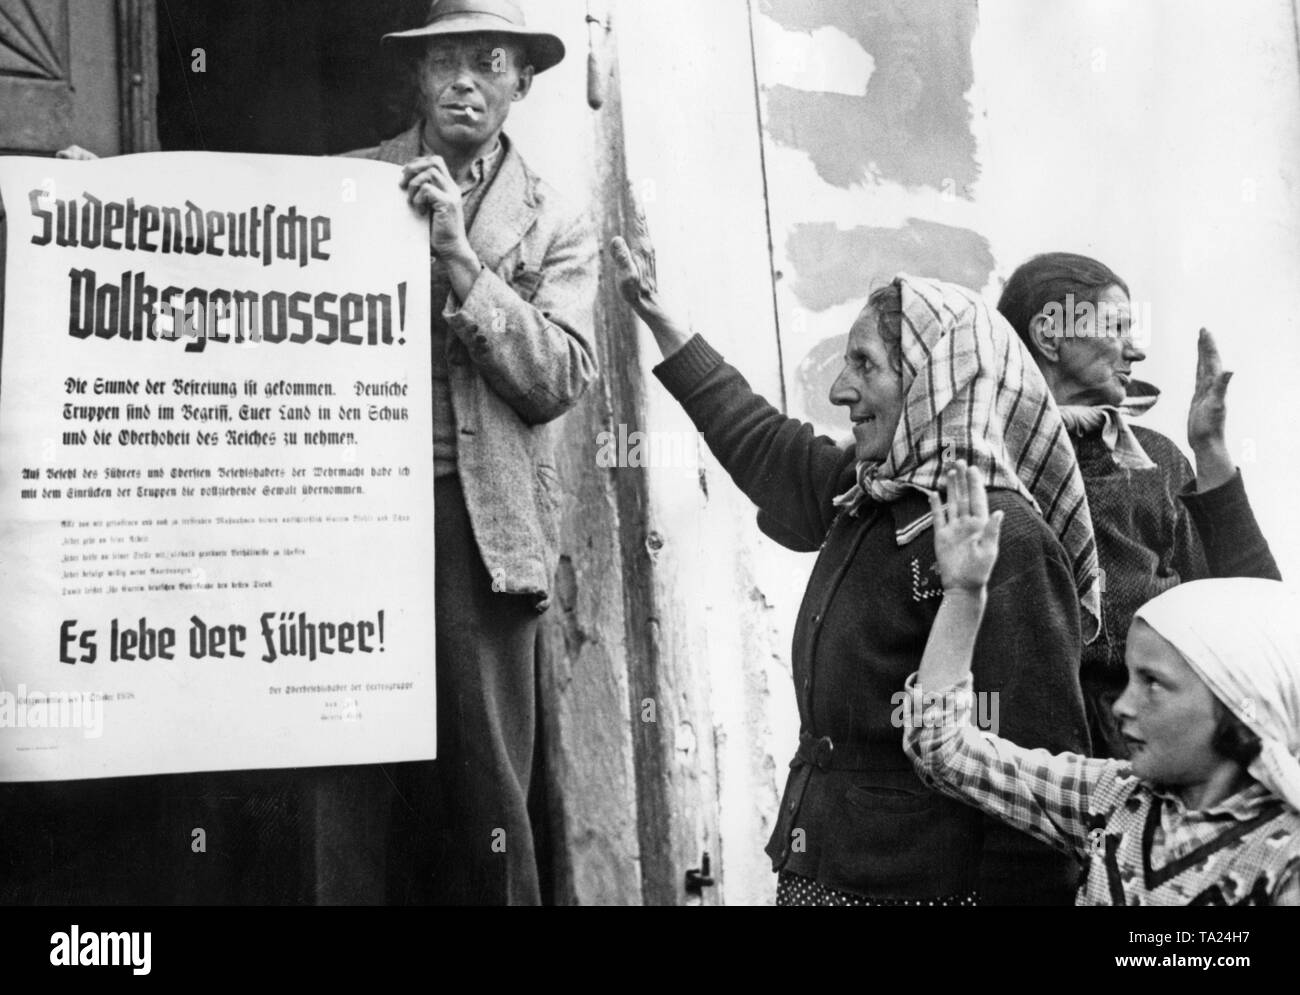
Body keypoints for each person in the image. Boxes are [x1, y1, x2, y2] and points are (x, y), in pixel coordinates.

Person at [611, 218, 1097, 906]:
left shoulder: (1002, 536)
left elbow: (1034, 797)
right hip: (822, 871)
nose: (840, 390)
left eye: (865, 365)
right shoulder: (868, 493)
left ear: (938, 381)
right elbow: (765, 444)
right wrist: (671, 332)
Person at [342, 0, 597, 905]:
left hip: (480, 533)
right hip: (350, 521)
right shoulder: (350, 184)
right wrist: (117, 196)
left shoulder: (554, 220)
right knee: (349, 774)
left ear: (522, 83)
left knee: (487, 783)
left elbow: (558, 375)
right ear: (416, 76)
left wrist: (460, 260)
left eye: (489, 62)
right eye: (446, 60)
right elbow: (238, 240)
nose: (465, 80)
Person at [906, 461, 1300, 905]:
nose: (1121, 707)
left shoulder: (1285, 855)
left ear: (1240, 703)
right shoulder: (1112, 800)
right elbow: (942, 749)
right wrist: (963, 595)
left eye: (1152, 683)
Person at [997, 253, 1280, 759]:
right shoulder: (983, 464)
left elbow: (1255, 617)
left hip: (1138, 771)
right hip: (1018, 782)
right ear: (1049, 335)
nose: (1137, 350)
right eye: (1117, 327)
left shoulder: (1154, 464)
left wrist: (1210, 448)